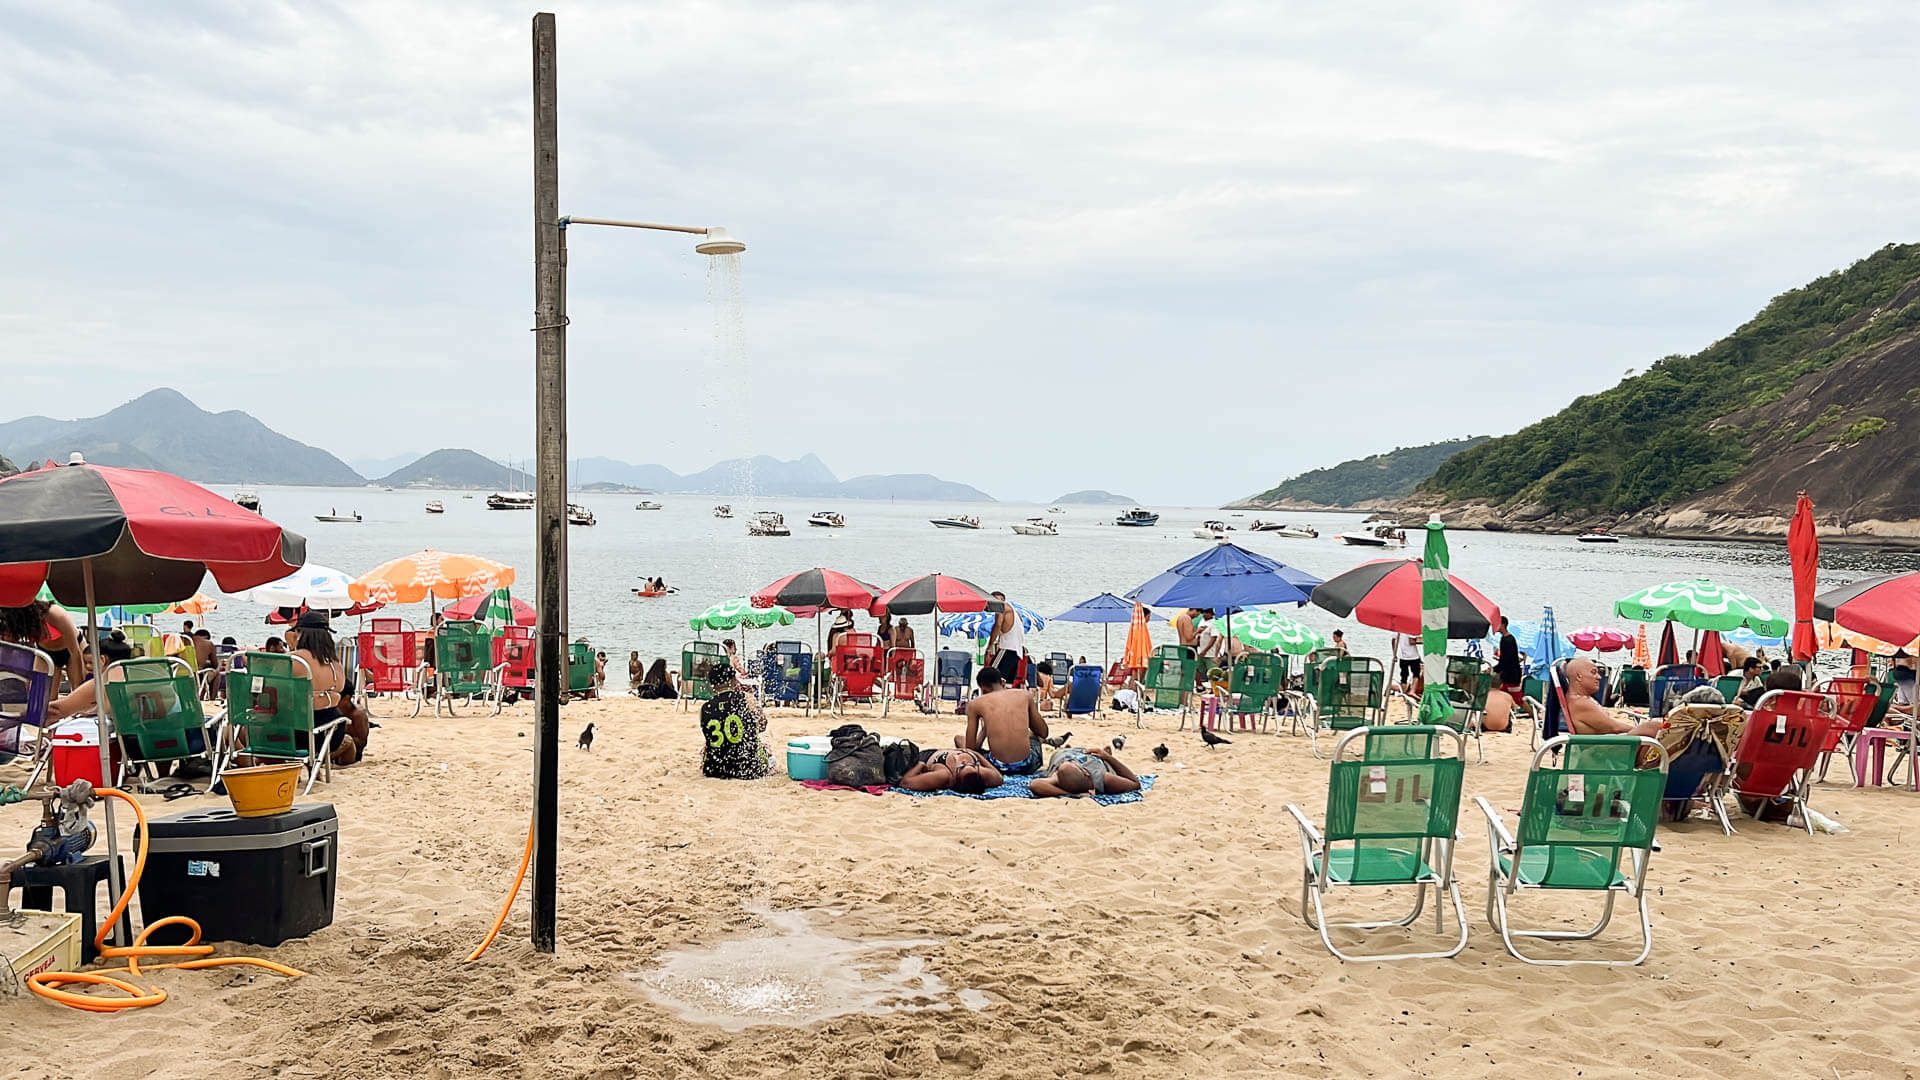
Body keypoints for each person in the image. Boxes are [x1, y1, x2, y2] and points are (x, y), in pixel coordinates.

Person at [287, 612, 370, 767]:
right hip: (330, 734)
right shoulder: (335, 665)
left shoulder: (294, 661)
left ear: (301, 634)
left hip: (294, 734)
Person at [959, 665, 1048, 775]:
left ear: (983, 689)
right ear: (1002, 682)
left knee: (959, 740)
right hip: (1026, 765)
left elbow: (971, 750)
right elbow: (1043, 732)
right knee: (1033, 736)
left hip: (997, 767)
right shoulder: (1025, 695)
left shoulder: (975, 704)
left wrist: (984, 730)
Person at [46, 630, 137, 722]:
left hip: (125, 732)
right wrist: (91, 710)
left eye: (91, 662)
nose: (87, 667)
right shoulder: (136, 673)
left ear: (102, 659)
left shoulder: (103, 681)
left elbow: (57, 710)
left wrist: (35, 710)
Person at [698, 663, 768, 779]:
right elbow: (762, 725)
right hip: (748, 768)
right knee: (766, 750)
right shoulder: (746, 698)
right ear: (734, 681)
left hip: (715, 769)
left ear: (711, 686)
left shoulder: (705, 708)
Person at [1563, 658, 1660, 737]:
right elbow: (1614, 728)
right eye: (1593, 672)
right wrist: (1643, 731)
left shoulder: (1577, 699)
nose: (1599, 677)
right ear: (1579, 677)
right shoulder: (1581, 702)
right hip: (1601, 752)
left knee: (1656, 730)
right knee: (1653, 728)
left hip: (1604, 745)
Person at [0, 599, 86, 689]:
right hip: (46, 653)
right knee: (40, 694)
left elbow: (75, 651)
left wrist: (79, 683)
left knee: (79, 688)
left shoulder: (54, 614)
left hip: (73, 648)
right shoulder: (22, 627)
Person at [1030, 745, 1141, 799]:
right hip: (1091, 757)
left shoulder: (1057, 778)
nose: (1072, 761)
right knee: (1104, 758)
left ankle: (1068, 748)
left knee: (1062, 752)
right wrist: (1108, 758)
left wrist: (1068, 794)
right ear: (1086, 772)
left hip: (1062, 753)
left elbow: (1035, 784)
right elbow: (1135, 783)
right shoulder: (1102, 778)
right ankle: (1107, 756)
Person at [899, 747, 1002, 794]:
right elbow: (999, 777)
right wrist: (974, 753)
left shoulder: (944, 775)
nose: (965, 760)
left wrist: (920, 765)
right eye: (971, 765)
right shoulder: (982, 774)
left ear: (956, 776)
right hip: (951, 749)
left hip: (928, 756)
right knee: (958, 738)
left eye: (962, 766)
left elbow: (905, 782)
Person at [986, 592, 1025, 682]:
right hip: (1018, 651)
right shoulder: (1016, 612)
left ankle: (993, 696)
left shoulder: (1002, 608)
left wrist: (989, 647)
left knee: (990, 677)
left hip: (1007, 648)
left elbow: (998, 625)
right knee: (1006, 682)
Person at [1393, 632, 1424, 696]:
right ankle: (1412, 691)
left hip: (1403, 657)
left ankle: (1403, 692)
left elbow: (1393, 640)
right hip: (1413, 656)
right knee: (1416, 674)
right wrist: (1425, 640)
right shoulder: (1410, 629)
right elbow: (1411, 641)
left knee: (1404, 675)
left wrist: (1394, 654)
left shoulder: (1398, 630)